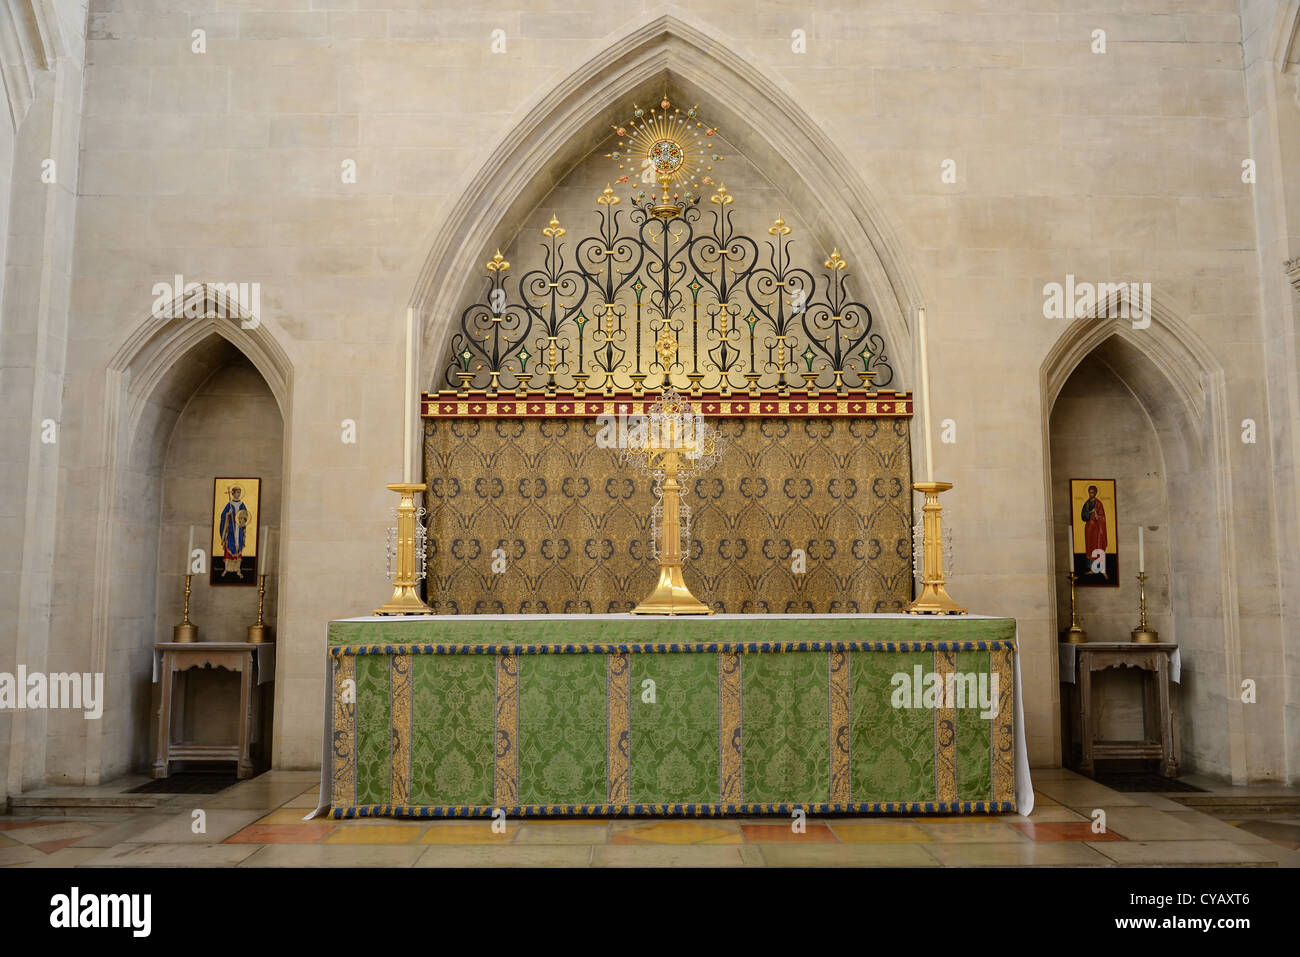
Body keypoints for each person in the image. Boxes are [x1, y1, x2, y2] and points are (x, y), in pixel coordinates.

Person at [219, 484, 249, 579]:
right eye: (236, 492)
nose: (238, 494)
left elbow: (245, 515)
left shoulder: (242, 504)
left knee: (238, 546)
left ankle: (237, 569)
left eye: (239, 492)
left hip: (238, 528)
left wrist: (241, 520)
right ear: (233, 493)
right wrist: (228, 514)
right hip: (231, 528)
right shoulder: (229, 504)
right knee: (230, 545)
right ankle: (227, 568)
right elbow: (223, 515)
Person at [1081, 484, 1107, 576]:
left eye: (1093, 492)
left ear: (1096, 493)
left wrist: (1096, 514)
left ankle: (1100, 568)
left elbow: (1102, 517)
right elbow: (1083, 516)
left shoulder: (1099, 503)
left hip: (1097, 529)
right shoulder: (1087, 503)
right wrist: (1089, 512)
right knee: (1089, 547)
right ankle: (1091, 568)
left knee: (1097, 546)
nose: (1091, 494)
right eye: (1090, 492)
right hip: (1089, 529)